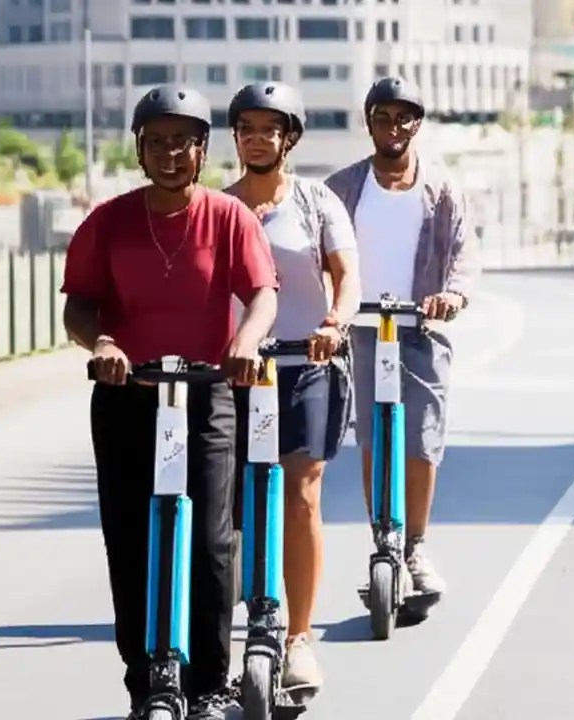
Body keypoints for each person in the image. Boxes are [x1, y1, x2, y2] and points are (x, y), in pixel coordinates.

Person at [61, 84, 279, 720]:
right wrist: (101, 342)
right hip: (129, 395)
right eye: (155, 142)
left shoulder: (228, 217)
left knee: (211, 541)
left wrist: (245, 339)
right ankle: (147, 683)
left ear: (202, 150)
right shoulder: (108, 221)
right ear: (139, 149)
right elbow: (79, 304)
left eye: (182, 142)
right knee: (129, 540)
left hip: (209, 394)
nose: (169, 154)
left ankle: (211, 683)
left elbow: (261, 291)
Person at [223, 81, 361, 695]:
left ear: (289, 138)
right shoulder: (220, 207)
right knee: (237, 503)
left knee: (301, 491)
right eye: (246, 128)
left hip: (306, 363)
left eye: (269, 129)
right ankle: (250, 618)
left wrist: (335, 322)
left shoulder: (316, 201)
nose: (257, 138)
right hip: (239, 371)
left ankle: (298, 637)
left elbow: (346, 275)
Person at [324, 76, 479, 599]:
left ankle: (413, 545)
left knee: (421, 441)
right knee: (373, 438)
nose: (394, 127)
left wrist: (451, 297)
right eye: (384, 117)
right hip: (363, 331)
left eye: (405, 118)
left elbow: (463, 256)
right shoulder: (342, 188)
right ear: (369, 122)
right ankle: (383, 539)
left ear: (418, 124)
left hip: (421, 329)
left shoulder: (441, 190)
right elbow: (316, 255)